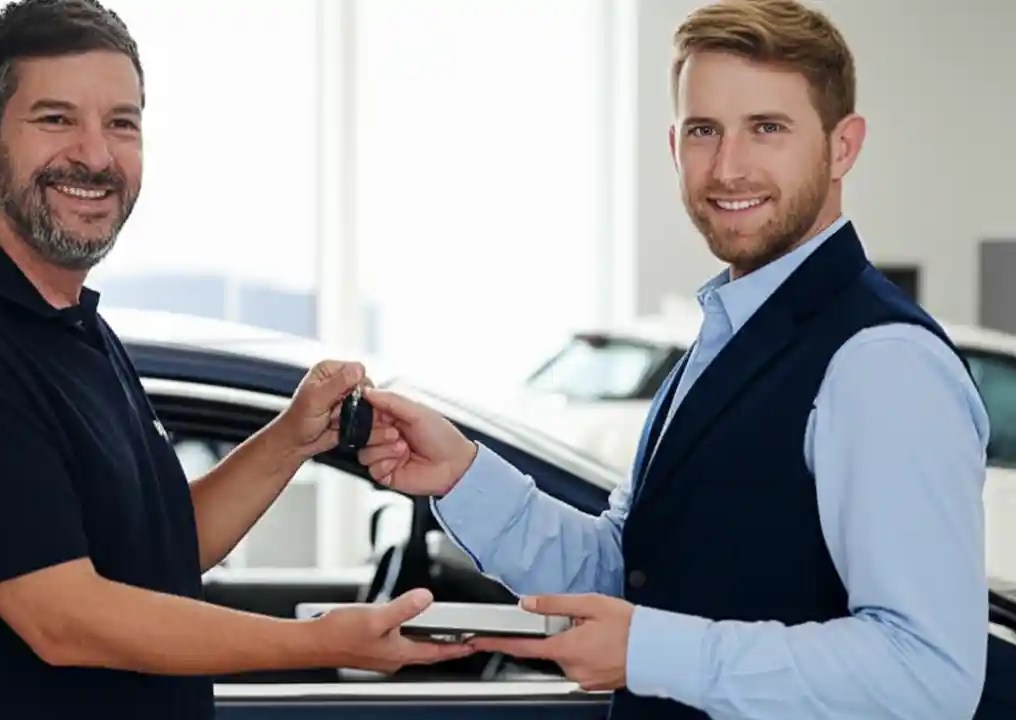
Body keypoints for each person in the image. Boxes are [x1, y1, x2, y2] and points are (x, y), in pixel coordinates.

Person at [356, 1, 991, 718]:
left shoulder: (881, 362)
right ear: (674, 145)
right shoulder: (724, 336)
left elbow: (927, 676)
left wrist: (650, 651)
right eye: (703, 131)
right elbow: (626, 574)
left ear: (843, 146)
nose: (727, 168)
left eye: (768, 129)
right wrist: (464, 476)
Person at [0, 1, 470, 718]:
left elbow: (160, 552)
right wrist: (322, 641)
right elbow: (63, 617)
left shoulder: (70, 325)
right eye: (56, 120)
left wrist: (293, 438)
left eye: (121, 123)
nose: (95, 155)